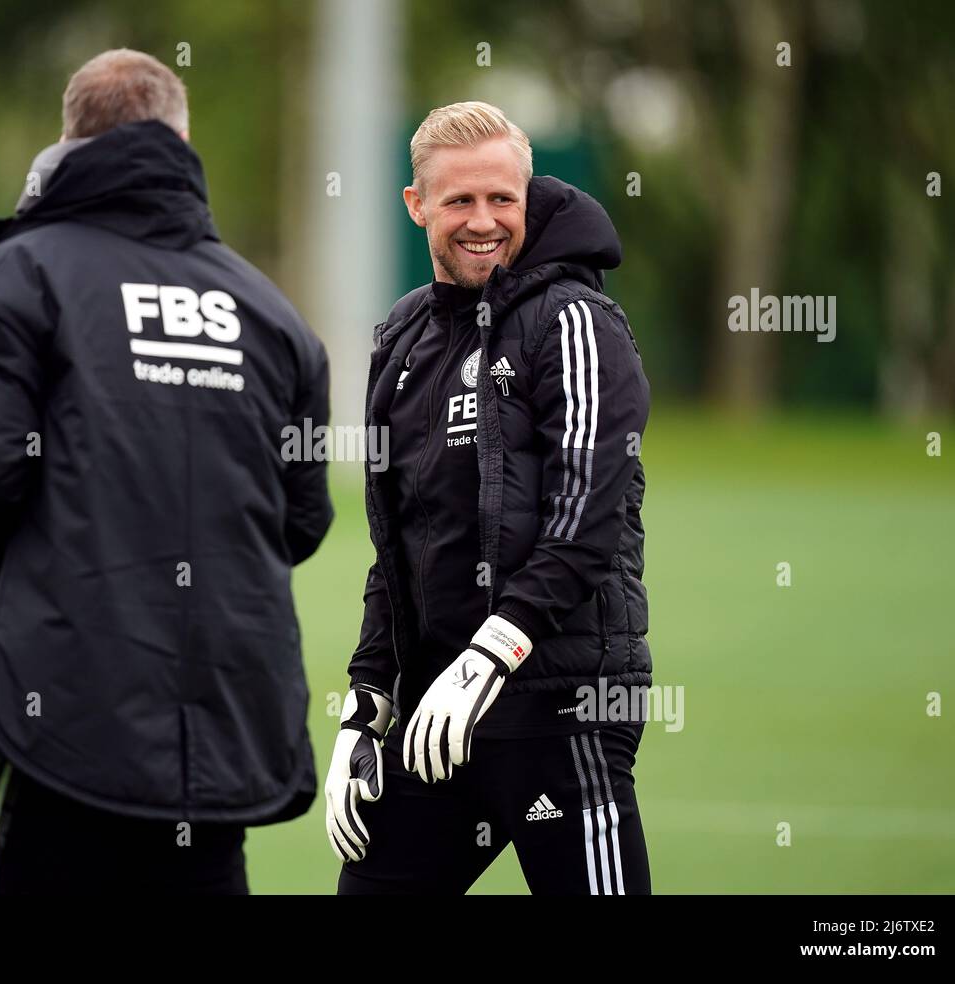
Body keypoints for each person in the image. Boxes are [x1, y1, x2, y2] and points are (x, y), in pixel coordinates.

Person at [0, 48, 333, 895]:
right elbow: (300, 521)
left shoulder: (19, 272)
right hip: (218, 732)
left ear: (69, 141)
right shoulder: (272, 314)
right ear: (182, 140)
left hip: (47, 725)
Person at [325, 101, 652, 895]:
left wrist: (490, 655)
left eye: (502, 199)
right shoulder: (402, 337)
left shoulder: (573, 319)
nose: (484, 222)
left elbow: (584, 525)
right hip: (434, 716)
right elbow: (397, 546)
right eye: (459, 201)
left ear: (528, 197)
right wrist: (366, 702)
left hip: (557, 705)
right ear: (417, 206)